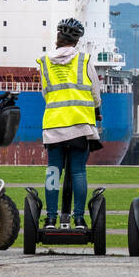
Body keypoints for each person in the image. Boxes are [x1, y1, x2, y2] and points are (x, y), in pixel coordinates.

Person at [37, 17, 102, 229]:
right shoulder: (84, 60)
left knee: (53, 171)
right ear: (76, 41)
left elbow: (46, 92)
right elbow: (95, 93)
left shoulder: (45, 62)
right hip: (80, 126)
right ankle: (79, 219)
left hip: (54, 126)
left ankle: (51, 219)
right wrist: (96, 110)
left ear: (58, 36)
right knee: (78, 171)